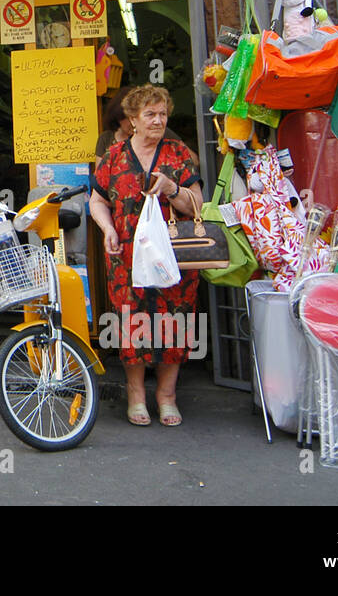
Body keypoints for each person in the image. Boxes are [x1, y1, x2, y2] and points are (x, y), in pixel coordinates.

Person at [88, 84, 204, 427]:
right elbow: (97, 200)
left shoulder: (178, 153)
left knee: (175, 320)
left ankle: (166, 395)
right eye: (150, 114)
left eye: (163, 114)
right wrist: (108, 229)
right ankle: (135, 392)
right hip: (126, 254)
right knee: (131, 322)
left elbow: (197, 203)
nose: (158, 120)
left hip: (171, 255)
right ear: (133, 120)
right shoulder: (113, 157)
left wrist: (174, 189)